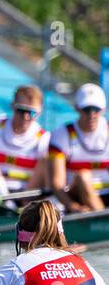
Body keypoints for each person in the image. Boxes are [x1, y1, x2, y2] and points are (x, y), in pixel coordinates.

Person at [48, 83, 108, 213]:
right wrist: (72, 206)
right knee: (83, 176)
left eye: (96, 110)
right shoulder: (62, 134)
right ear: (77, 108)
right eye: (87, 109)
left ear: (103, 110)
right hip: (76, 197)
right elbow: (57, 183)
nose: (91, 115)